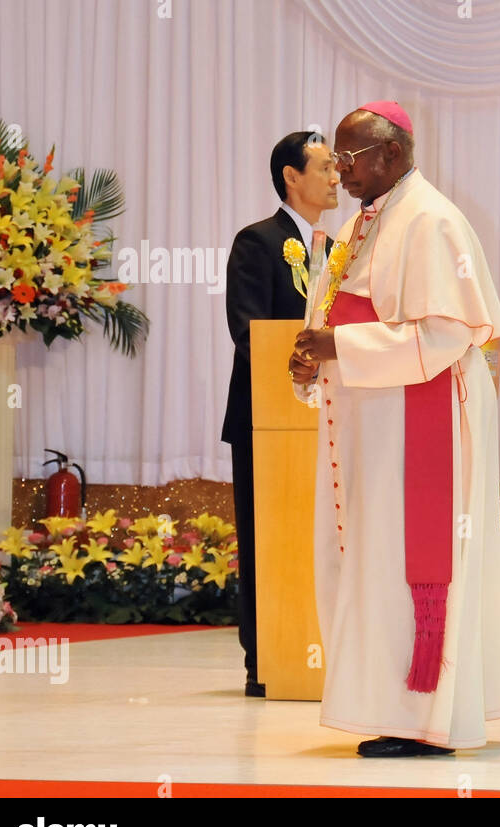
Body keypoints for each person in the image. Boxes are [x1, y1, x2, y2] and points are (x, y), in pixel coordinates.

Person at [289, 102, 500, 756]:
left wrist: (338, 345)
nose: (339, 170)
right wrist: (313, 355)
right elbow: (336, 315)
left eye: (351, 157)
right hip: (378, 424)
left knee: (416, 565)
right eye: (334, 157)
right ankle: (396, 708)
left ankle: (428, 717)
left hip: (423, 421)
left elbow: (449, 331)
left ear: (392, 155)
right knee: (374, 565)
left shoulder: (429, 220)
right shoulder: (363, 225)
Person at [222, 131, 338, 697]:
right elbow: (247, 330)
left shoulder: (339, 252)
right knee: (263, 538)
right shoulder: (257, 241)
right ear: (292, 176)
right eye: (324, 167)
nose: (337, 176)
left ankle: (322, 650)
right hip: (265, 421)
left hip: (332, 418)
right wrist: (301, 360)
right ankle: (263, 660)